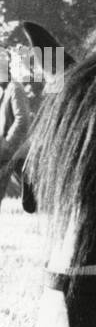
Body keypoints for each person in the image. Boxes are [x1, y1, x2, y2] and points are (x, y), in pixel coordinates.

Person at [0, 50, 33, 210]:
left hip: (14, 151)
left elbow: (23, 120)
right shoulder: (5, 91)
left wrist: (6, 145)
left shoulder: (15, 88)